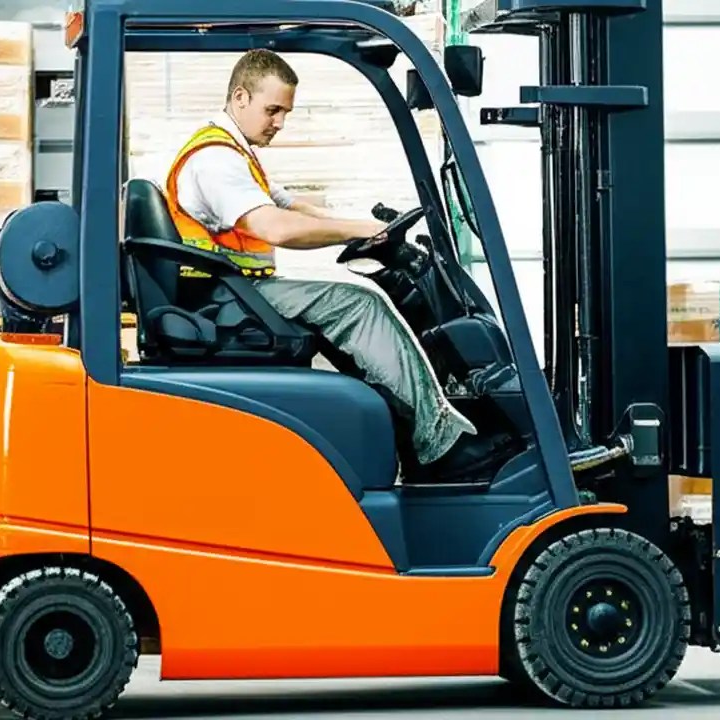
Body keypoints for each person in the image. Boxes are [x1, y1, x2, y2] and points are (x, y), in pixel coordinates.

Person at [163, 49, 490, 474]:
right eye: (273, 110)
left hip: (234, 292)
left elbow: (294, 207)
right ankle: (439, 447)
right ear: (240, 97)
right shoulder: (215, 159)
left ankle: (417, 431)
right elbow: (276, 227)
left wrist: (367, 224)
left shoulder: (234, 150)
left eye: (286, 112)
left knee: (355, 304)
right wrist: (357, 230)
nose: (279, 122)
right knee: (361, 305)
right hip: (226, 300)